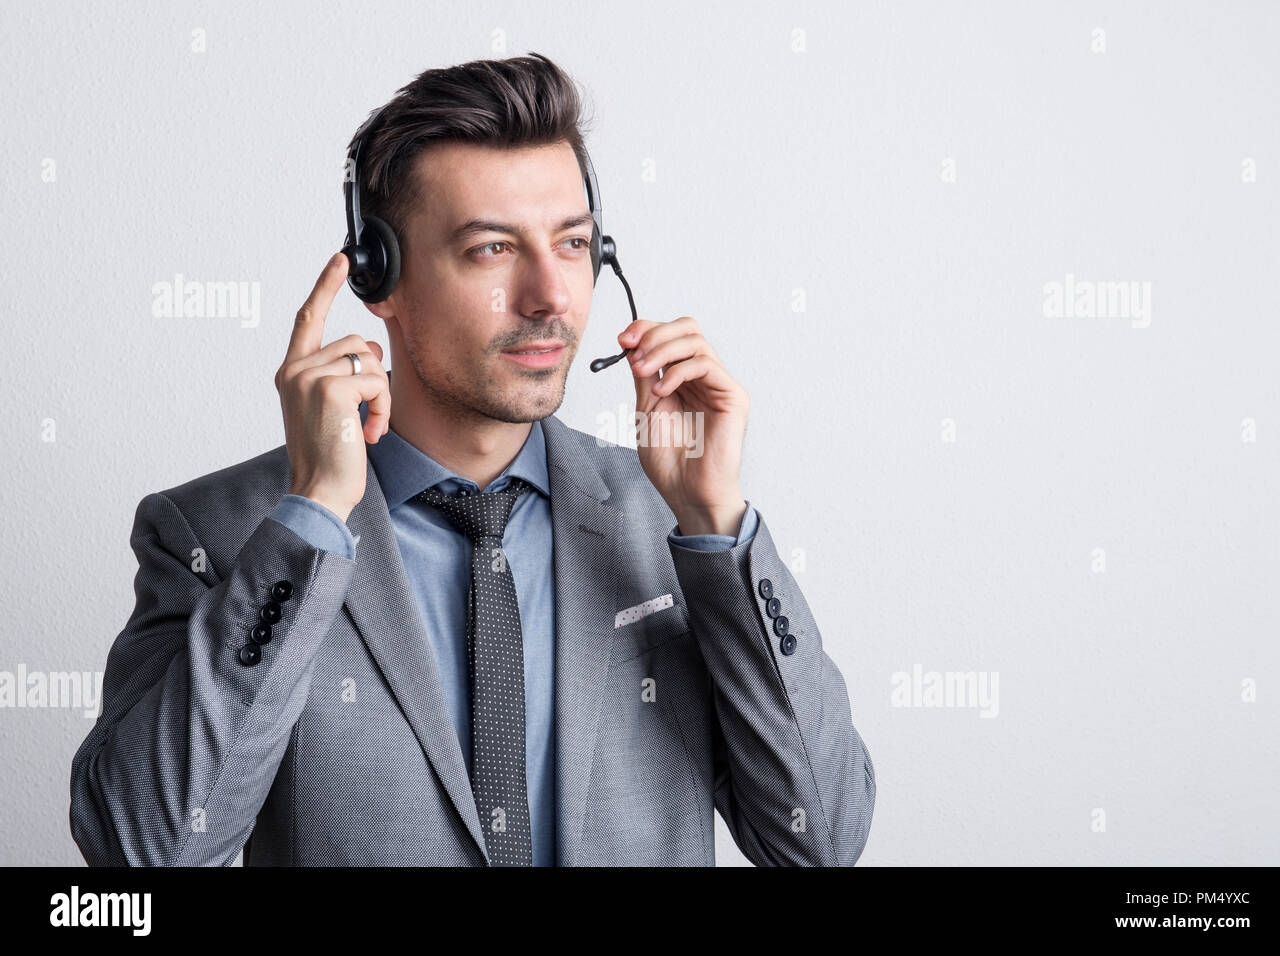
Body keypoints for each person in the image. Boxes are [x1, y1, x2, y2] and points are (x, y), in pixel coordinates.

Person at [69, 52, 875, 866]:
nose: (550, 296)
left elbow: (824, 842)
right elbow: (144, 856)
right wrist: (310, 518)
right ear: (380, 274)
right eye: (492, 250)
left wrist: (714, 525)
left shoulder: (671, 522)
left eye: (571, 245)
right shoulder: (219, 533)